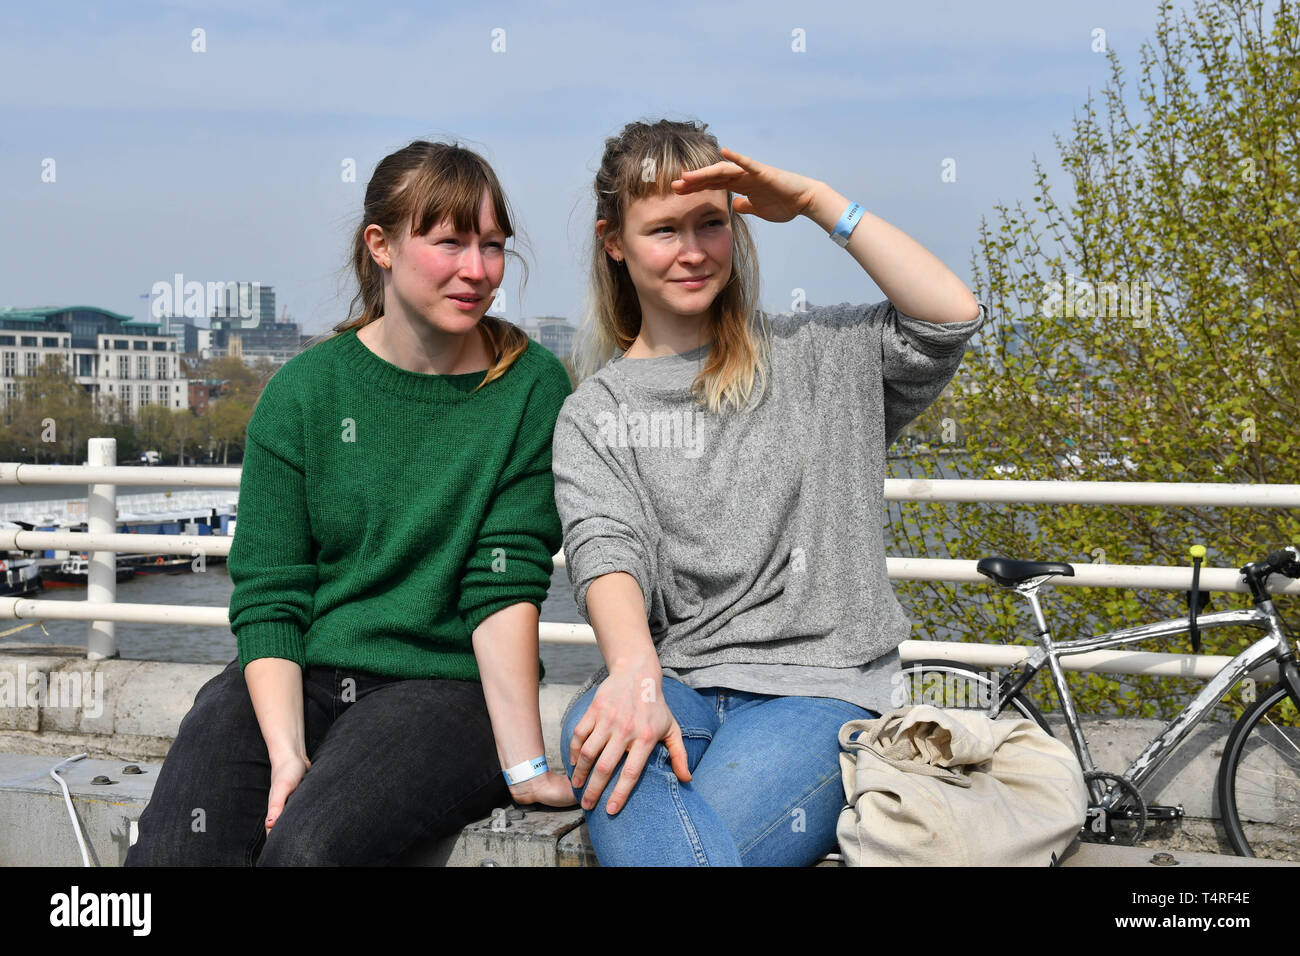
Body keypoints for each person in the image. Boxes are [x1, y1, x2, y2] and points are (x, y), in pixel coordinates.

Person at [126, 140, 575, 867]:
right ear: (382, 247)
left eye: (493, 246)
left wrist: (525, 766)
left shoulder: (530, 388)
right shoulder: (304, 392)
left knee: (310, 854)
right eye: (451, 242)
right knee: (174, 852)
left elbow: (503, 582)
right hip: (292, 675)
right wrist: (285, 754)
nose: (478, 270)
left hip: (443, 688)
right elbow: (271, 596)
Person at [554, 118, 987, 866]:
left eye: (711, 223)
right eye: (663, 230)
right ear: (614, 242)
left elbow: (948, 317)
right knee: (597, 719)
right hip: (675, 681)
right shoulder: (597, 413)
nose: (692, 251)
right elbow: (606, 547)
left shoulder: (820, 354)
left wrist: (823, 204)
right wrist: (632, 675)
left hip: (818, 696)